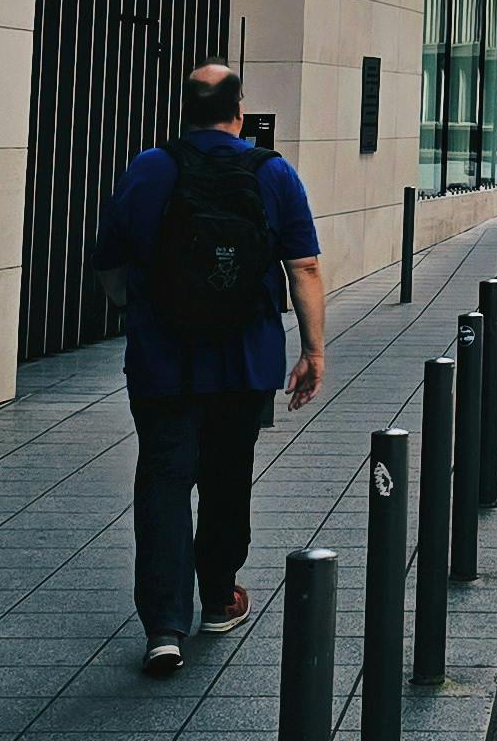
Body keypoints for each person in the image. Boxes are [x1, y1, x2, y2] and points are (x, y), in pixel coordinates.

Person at [92, 63, 326, 678]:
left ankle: (164, 628)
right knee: (228, 477)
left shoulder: (148, 168)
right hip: (244, 362)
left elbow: (111, 264)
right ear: (238, 110)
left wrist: (134, 308)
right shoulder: (272, 172)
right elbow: (303, 268)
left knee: (164, 481)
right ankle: (220, 598)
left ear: (184, 110)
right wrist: (313, 350)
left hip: (162, 361)